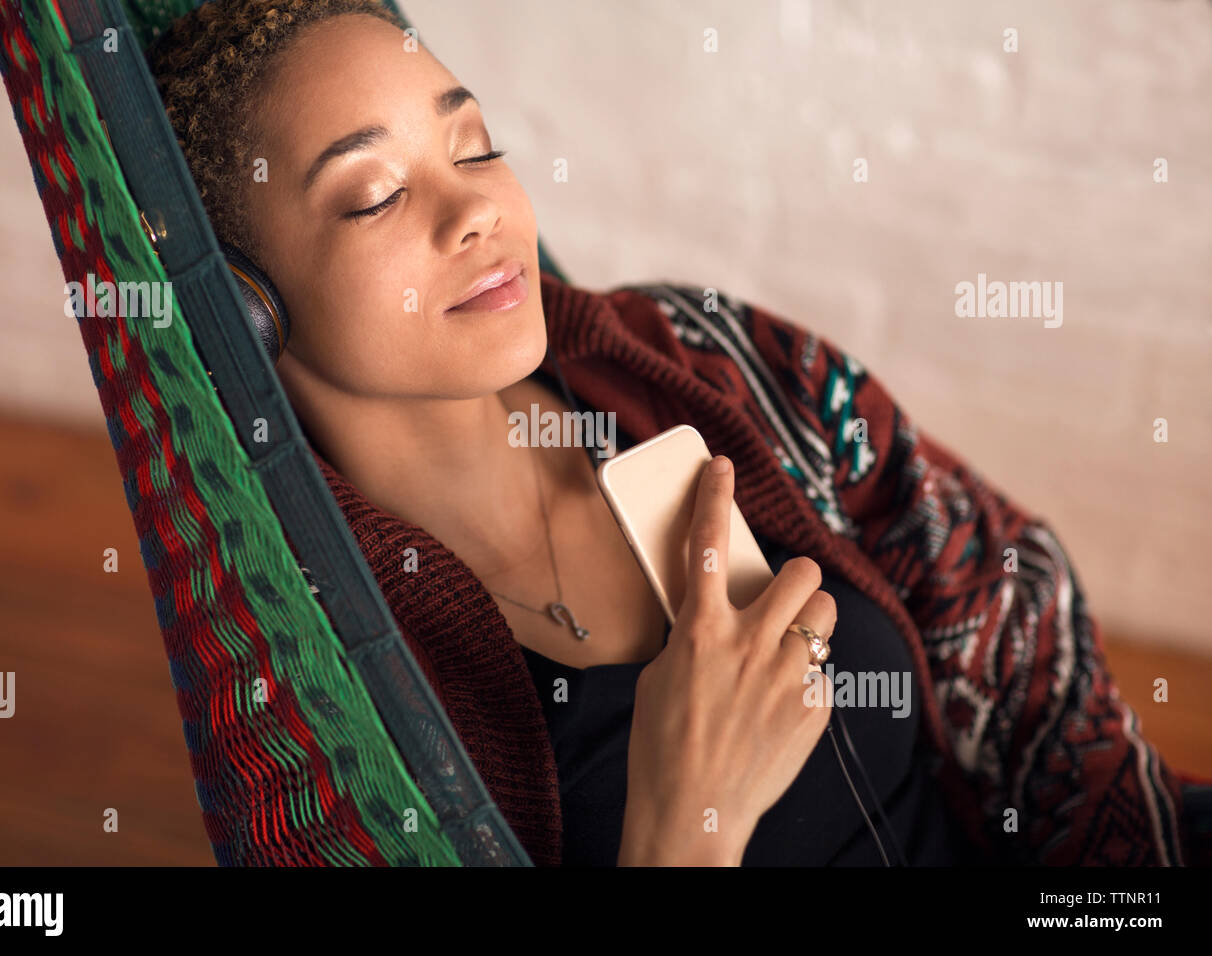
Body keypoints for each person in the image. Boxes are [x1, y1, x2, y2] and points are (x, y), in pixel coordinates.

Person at [147, 0, 1193, 866]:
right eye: (374, 194)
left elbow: (1010, 600)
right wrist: (686, 820)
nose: (475, 208)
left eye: (475, 145)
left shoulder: (695, 354)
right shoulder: (308, 693)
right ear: (249, 304)